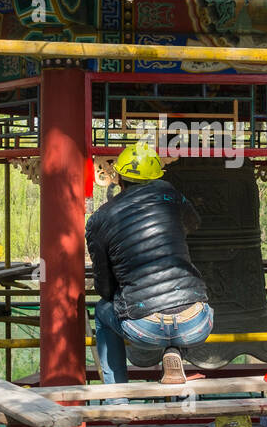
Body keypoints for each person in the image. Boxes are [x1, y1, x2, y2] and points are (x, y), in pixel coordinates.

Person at [86, 141, 214, 386]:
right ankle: (175, 352)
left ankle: (117, 400)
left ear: (119, 177)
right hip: (196, 324)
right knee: (190, 295)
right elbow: (193, 224)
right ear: (156, 176)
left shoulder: (99, 219)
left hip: (145, 329)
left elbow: (104, 289)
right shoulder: (170, 194)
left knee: (103, 310)